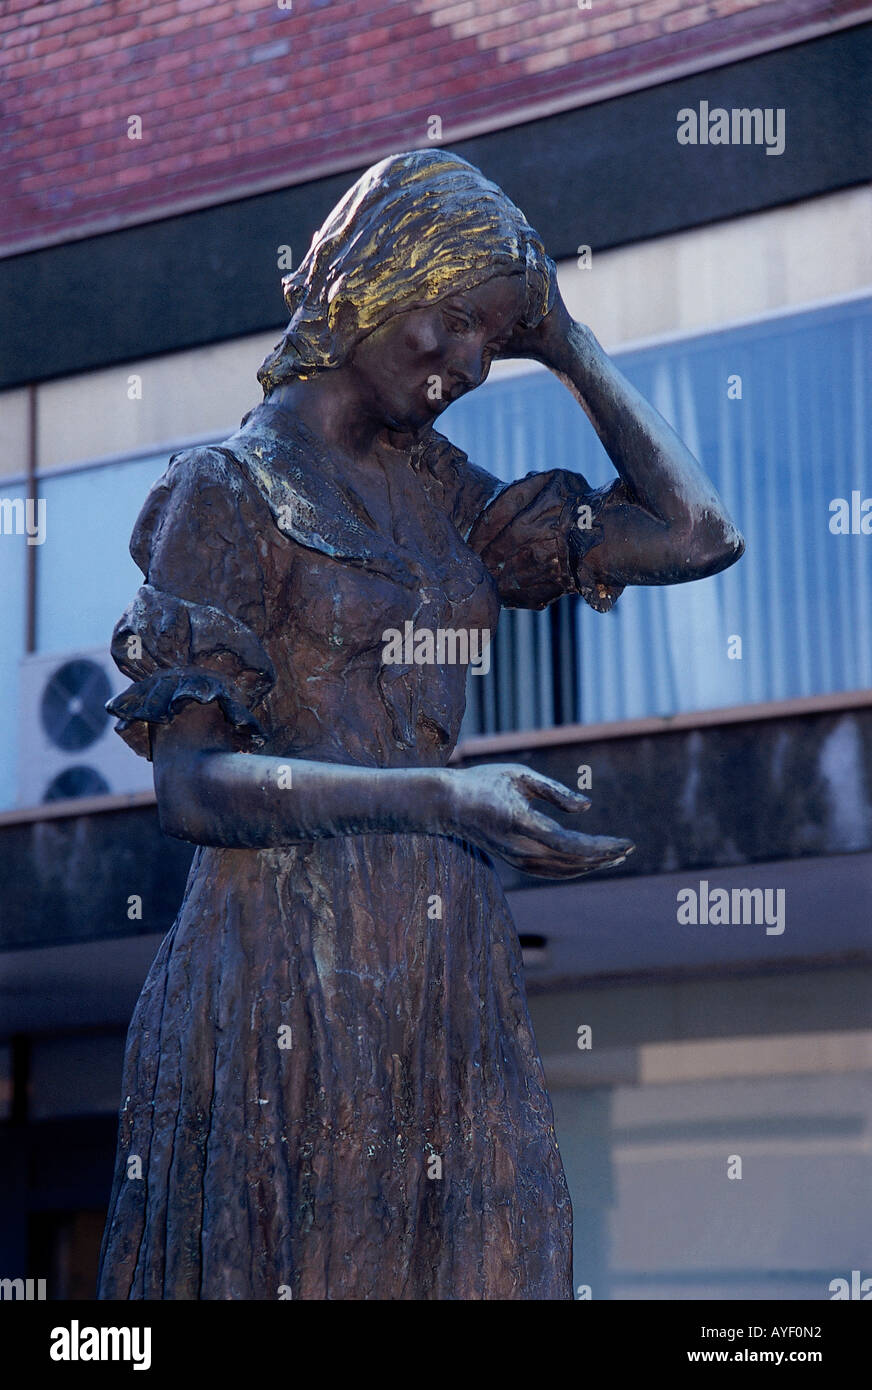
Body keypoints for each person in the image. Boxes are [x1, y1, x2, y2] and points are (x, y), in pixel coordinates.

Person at [97, 150, 743, 1300]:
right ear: (373, 276)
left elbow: (696, 534)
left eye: (493, 340)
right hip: (274, 972)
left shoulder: (443, 492)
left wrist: (567, 340)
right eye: (451, 322)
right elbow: (190, 787)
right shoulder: (228, 489)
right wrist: (445, 797)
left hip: (437, 956)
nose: (467, 363)